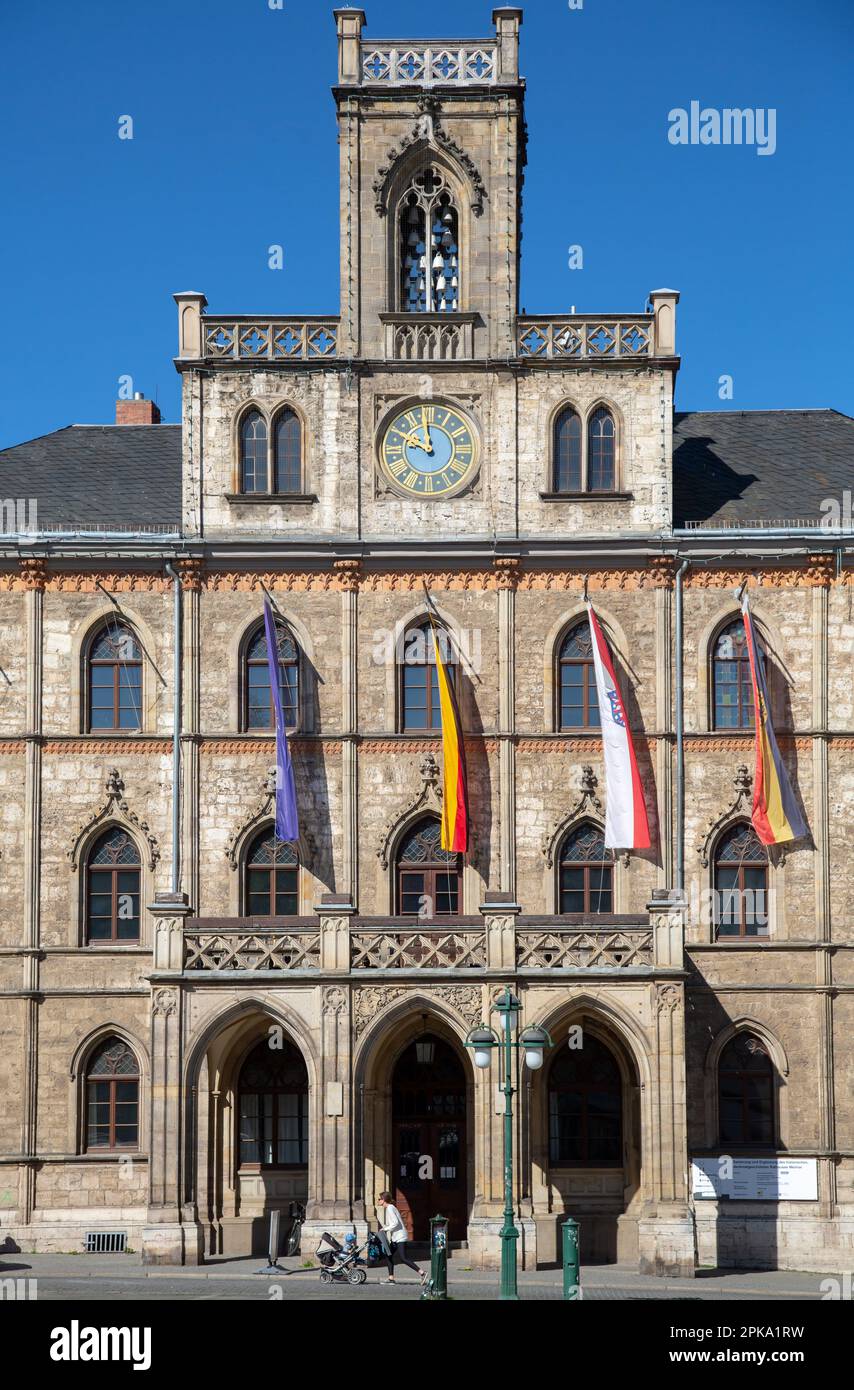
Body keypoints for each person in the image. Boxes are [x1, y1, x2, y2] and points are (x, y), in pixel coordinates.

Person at [377, 1192, 427, 1284]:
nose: (378, 1201)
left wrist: (385, 1229)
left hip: (400, 1237)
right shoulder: (390, 1208)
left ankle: (422, 1273)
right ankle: (391, 1278)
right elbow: (394, 1223)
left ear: (384, 1200)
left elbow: (395, 1223)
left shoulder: (390, 1208)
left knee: (403, 1258)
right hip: (396, 1237)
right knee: (389, 1255)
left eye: (379, 1199)